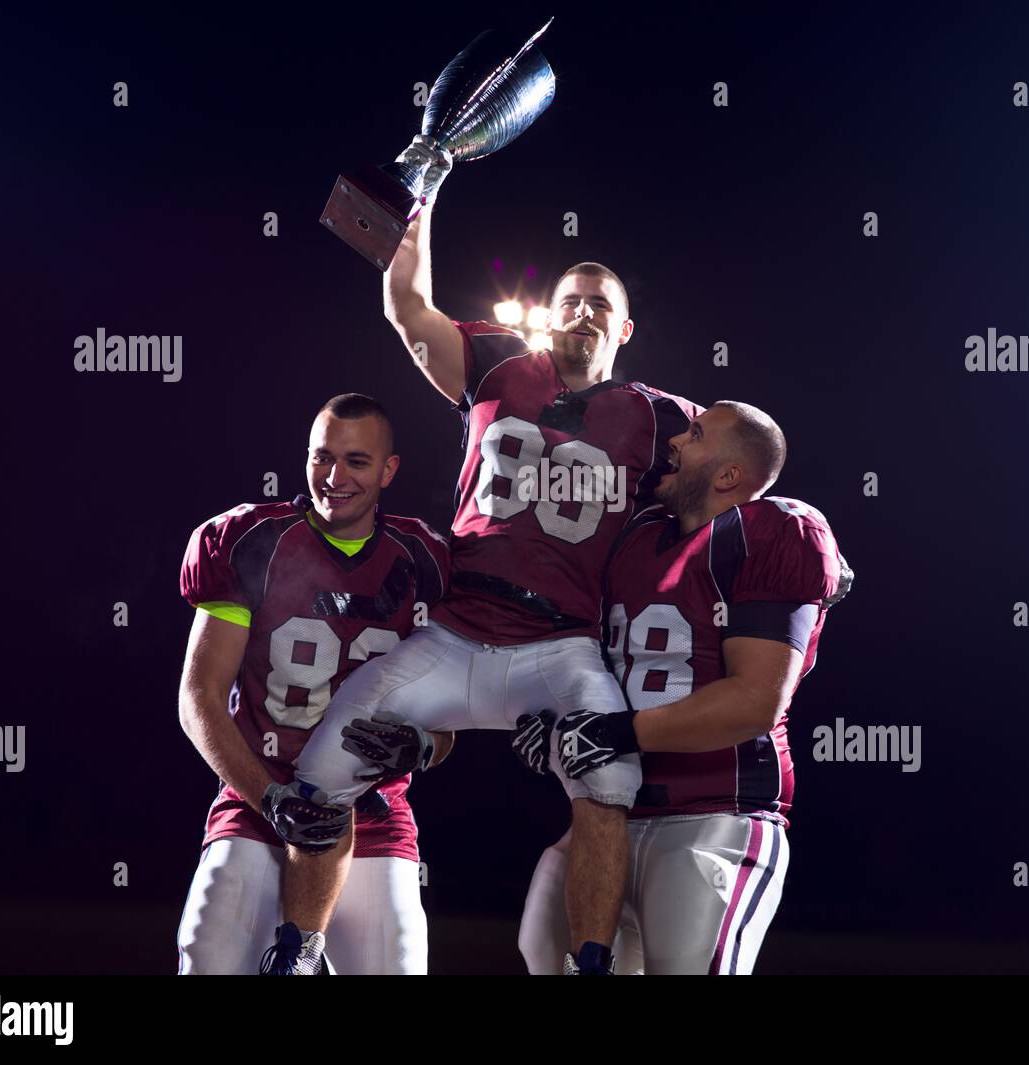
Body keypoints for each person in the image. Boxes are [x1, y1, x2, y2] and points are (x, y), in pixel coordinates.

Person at [263, 137, 701, 975]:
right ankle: (297, 951)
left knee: (608, 784)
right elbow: (406, 304)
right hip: (459, 633)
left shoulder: (656, 414)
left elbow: (737, 457)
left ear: (625, 327)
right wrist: (424, 194)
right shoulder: (499, 363)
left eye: (598, 305)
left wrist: (793, 520)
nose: (579, 313)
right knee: (321, 771)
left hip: (563, 646)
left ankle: (595, 967)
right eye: (568, 299)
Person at [512, 401, 853, 974]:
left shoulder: (775, 529)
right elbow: (597, 666)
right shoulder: (639, 532)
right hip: (610, 816)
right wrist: (554, 722)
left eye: (694, 435)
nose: (675, 441)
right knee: (543, 947)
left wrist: (620, 733)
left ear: (728, 476)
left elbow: (755, 702)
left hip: (717, 816)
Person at [176, 393, 453, 974]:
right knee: (207, 960)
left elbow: (446, 720)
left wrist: (425, 746)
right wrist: (271, 800)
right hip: (258, 802)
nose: (335, 477)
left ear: (388, 470)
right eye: (322, 458)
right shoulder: (252, 540)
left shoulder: (424, 559)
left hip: (371, 813)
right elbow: (199, 699)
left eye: (356, 461)